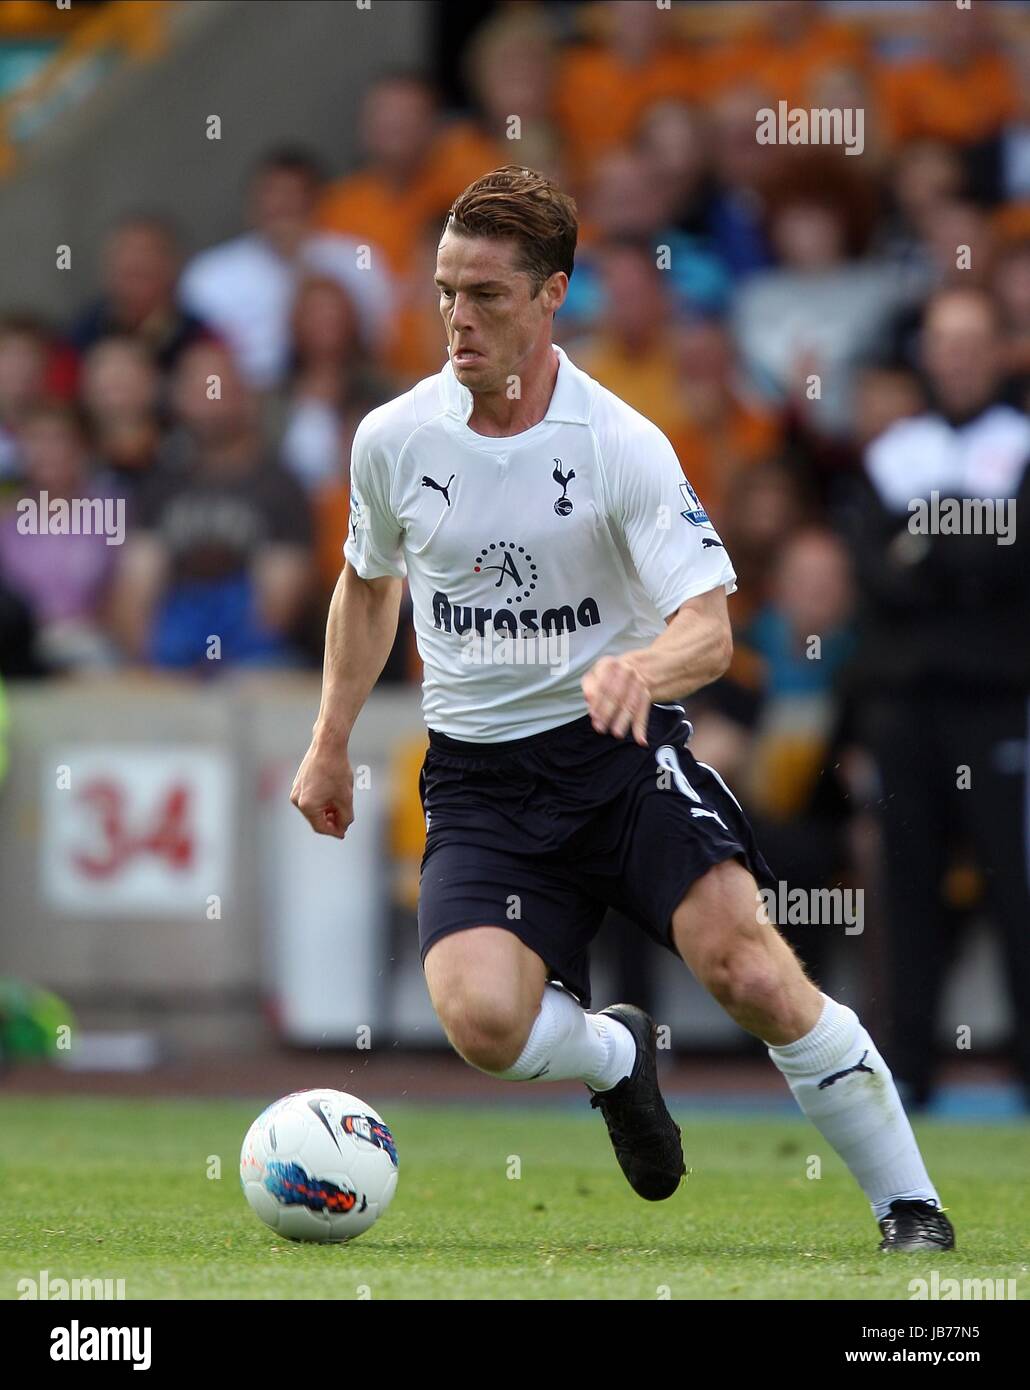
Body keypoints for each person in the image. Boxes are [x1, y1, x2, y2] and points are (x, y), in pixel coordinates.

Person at [290, 166, 953, 1253]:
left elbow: (709, 627)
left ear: (554, 296)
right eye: (448, 290)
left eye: (488, 295)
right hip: (480, 779)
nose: (459, 318)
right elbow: (368, 585)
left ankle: (909, 1206)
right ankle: (614, 1059)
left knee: (745, 965)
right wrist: (328, 743)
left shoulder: (620, 444)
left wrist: (641, 670)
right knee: (482, 1024)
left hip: (620, 758)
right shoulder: (394, 439)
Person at [846, 286, 1030, 1111]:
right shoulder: (895, 453)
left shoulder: (1019, 444)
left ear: (998, 350)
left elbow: (1011, 568)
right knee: (905, 892)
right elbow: (877, 575)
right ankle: (909, 1072)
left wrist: (930, 543)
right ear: (926, 352)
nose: (958, 357)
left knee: (1015, 887)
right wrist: (971, 548)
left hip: (998, 702)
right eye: (943, 341)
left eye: (973, 340)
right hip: (908, 708)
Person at [179, 149, 392, 391]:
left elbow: (380, 339)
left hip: (347, 391)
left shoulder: (357, 257)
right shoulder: (209, 275)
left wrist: (300, 265)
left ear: (317, 200)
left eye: (293, 196)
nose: (282, 208)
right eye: (273, 196)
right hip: (246, 400)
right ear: (252, 203)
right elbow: (200, 363)